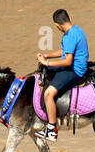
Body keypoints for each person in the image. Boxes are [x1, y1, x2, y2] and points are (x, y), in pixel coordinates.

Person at [36, 8, 88, 142]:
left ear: (57, 25)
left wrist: (46, 62)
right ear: (69, 17)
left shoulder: (70, 36)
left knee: (48, 94)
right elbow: (64, 51)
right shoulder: (76, 30)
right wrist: (46, 55)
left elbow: (67, 60)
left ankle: (52, 129)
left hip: (74, 71)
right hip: (70, 66)